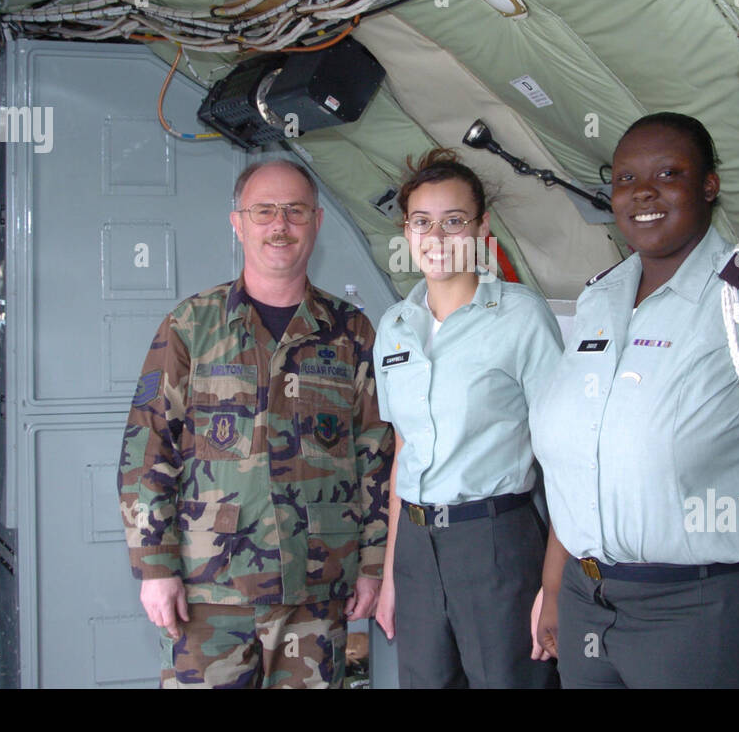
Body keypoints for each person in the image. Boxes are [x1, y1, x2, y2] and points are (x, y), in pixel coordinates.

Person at [118, 158, 391, 688]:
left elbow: (376, 456)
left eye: (294, 211)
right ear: (238, 223)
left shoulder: (350, 331)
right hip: (210, 592)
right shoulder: (191, 326)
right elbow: (148, 450)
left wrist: (374, 565)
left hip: (316, 589)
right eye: (263, 211)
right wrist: (155, 566)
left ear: (316, 221)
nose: (279, 225)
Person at [529, 114, 739, 688]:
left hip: (699, 609)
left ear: (708, 186)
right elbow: (579, 457)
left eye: (669, 173)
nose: (643, 192)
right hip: (587, 601)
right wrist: (553, 588)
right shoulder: (599, 297)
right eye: (624, 179)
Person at [372, 148, 562, 688]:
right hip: (415, 547)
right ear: (406, 232)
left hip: (496, 541)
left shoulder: (521, 316)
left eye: (454, 221)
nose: (437, 238)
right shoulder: (395, 327)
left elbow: (562, 453)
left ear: (481, 228)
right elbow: (404, 452)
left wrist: (555, 579)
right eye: (422, 222)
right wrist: (390, 576)